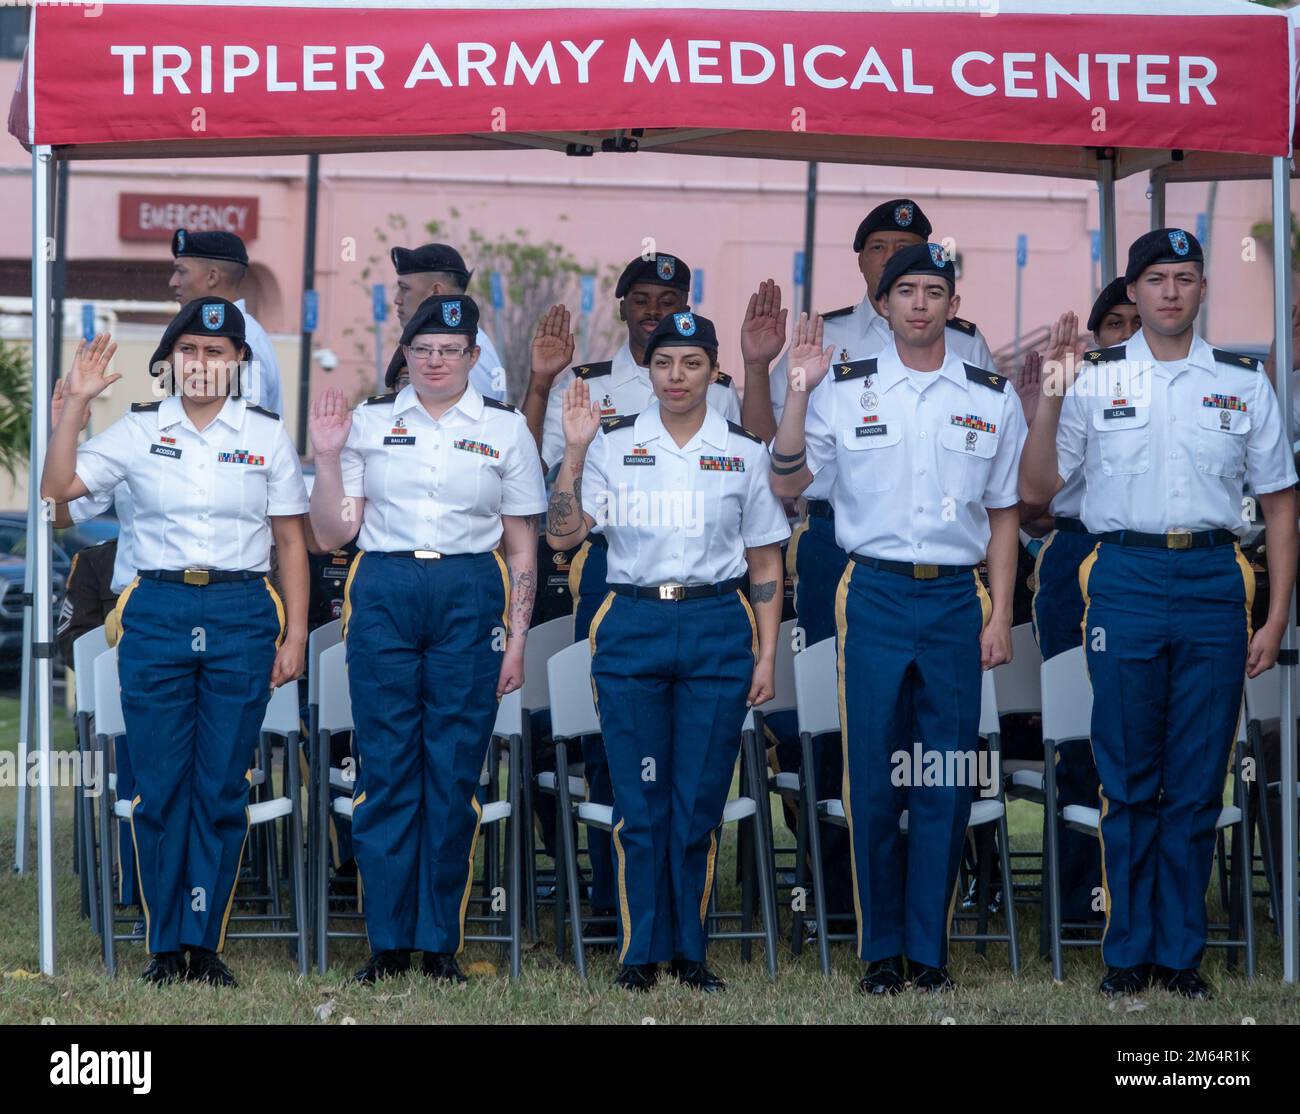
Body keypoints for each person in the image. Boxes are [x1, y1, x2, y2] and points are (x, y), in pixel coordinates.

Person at [1019, 228, 1298, 999]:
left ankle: (1180, 957)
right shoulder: (1097, 378)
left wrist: (1274, 620)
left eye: (1185, 277)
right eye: (1156, 279)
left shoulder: (1242, 382)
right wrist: (1050, 393)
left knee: (1198, 776)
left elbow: (1280, 505)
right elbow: (1038, 487)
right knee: (1129, 773)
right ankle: (1127, 951)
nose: (1171, 291)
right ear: (1132, 293)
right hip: (1127, 575)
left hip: (1214, 576)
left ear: (1203, 289)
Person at [770, 242, 1025, 994]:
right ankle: (881, 950)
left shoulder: (989, 395)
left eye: (933, 290)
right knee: (874, 776)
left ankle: (930, 950)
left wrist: (1002, 611)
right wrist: (795, 388)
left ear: (953, 304)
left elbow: (1006, 514)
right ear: (880, 305)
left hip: (954, 595)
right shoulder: (843, 388)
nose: (919, 302)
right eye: (904, 290)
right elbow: (789, 480)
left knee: (945, 777)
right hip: (874, 592)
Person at [41, 299, 310, 986]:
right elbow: (58, 495)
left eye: (216, 352)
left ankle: (204, 941)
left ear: (240, 364)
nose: (201, 363)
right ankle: (166, 945)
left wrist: (299, 633)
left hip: (243, 609)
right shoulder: (137, 432)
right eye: (188, 350)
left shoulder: (267, 435)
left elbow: (289, 542)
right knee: (161, 787)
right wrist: (73, 405)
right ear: (169, 361)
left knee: (220, 785)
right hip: (156, 607)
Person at [308, 293, 545, 985]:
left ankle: (438, 941)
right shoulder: (370, 425)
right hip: (383, 588)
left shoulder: (505, 432)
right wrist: (326, 459)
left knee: (451, 772)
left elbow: (523, 546)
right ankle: (387, 942)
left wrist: (517, 639)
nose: (436, 361)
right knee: (384, 772)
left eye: (451, 350)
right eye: (423, 350)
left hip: (470, 592)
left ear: (474, 357)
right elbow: (332, 534)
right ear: (404, 356)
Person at [546, 309, 787, 991]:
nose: (676, 377)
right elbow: (564, 537)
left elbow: (766, 562)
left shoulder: (743, 450)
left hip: (716, 626)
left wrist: (766, 656)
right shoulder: (613, 443)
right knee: (640, 798)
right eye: (663, 363)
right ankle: (639, 952)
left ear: (715, 371)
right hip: (633, 625)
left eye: (691, 363)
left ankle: (689, 950)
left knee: (699, 800)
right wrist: (572, 448)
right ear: (647, 371)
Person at [525, 254, 741, 926]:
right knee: (613, 746)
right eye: (641, 299)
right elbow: (532, 471)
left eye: (668, 297)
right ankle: (610, 901)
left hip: (704, 594)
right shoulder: (586, 385)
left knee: (695, 763)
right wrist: (539, 384)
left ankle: (683, 915)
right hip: (610, 576)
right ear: (621, 308)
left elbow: (757, 463)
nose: (653, 310)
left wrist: (759, 372)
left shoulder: (723, 387)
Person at [741, 199, 993, 652]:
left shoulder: (965, 342)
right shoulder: (823, 336)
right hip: (833, 535)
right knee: (830, 686)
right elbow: (765, 445)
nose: (891, 257)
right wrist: (757, 367)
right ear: (860, 261)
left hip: (939, 548)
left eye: (905, 247)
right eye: (879, 247)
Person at [169, 229, 283, 415]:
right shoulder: (235, 334)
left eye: (181, 272)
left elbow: (246, 428)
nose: (173, 281)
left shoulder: (244, 339)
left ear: (212, 277)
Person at [389, 243, 506, 401]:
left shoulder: (465, 353)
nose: (397, 299)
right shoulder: (466, 343)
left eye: (405, 288)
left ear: (436, 292)